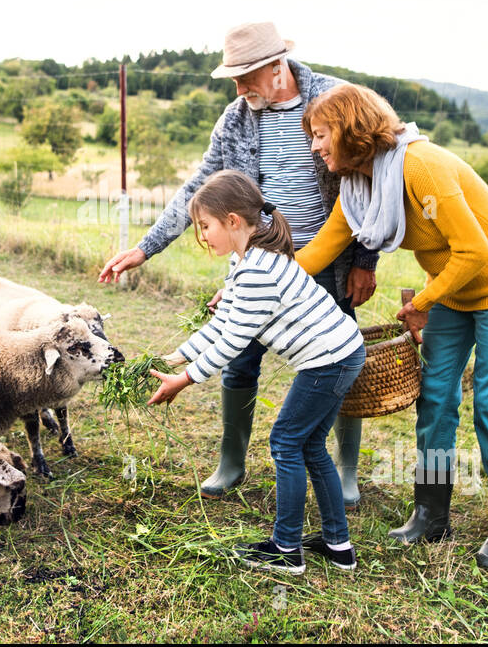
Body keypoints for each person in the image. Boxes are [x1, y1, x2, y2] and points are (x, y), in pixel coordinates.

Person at [98, 21, 378, 505]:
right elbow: (197, 187)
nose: (238, 87)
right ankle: (232, 462)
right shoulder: (236, 117)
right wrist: (146, 247)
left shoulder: (335, 100)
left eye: (245, 76)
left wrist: (365, 260)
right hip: (262, 261)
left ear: (276, 68)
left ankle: (346, 472)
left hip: (329, 264)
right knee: (239, 355)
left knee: (336, 358)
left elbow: (367, 182)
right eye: (233, 78)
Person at [294, 82, 488, 569]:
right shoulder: (360, 187)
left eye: (322, 134)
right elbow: (319, 251)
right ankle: (431, 513)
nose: (316, 145)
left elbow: (477, 250)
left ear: (350, 129)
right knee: (434, 399)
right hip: (452, 288)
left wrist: (424, 301)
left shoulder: (421, 166)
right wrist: (250, 285)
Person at [146, 170, 367, 574]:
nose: (203, 236)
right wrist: (173, 359)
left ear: (233, 221)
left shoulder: (256, 272)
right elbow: (222, 324)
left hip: (329, 361)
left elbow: (232, 343)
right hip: (339, 353)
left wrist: (185, 379)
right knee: (310, 446)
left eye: (206, 226)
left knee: (285, 441)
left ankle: (286, 549)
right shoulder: (245, 259)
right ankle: (338, 545)